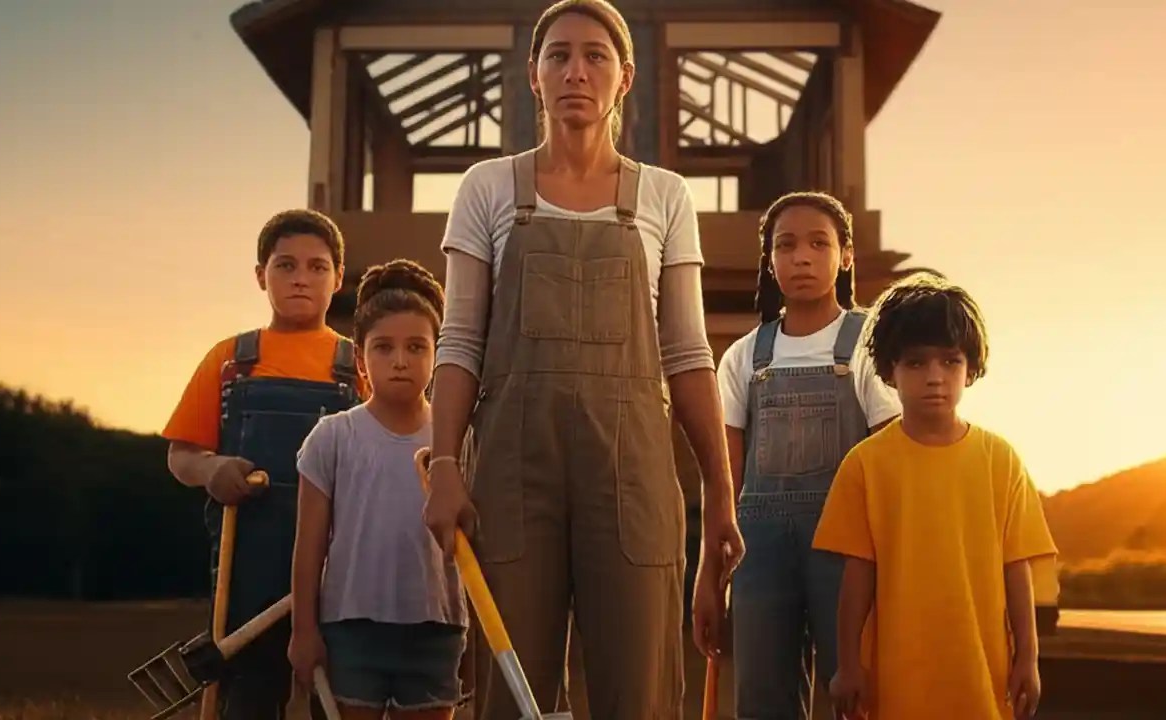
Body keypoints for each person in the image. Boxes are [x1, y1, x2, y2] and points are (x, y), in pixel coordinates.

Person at [420, 1, 745, 718]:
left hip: (632, 479)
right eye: (557, 55)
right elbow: (460, 343)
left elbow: (689, 355)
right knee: (513, 692)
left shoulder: (665, 196)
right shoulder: (488, 187)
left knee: (639, 689)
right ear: (533, 77)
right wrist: (444, 467)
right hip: (510, 474)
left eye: (595, 55)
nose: (576, 70)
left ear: (624, 77)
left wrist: (721, 495)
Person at [813, 272, 1058, 720]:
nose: (935, 378)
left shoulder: (999, 460)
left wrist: (1028, 657)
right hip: (896, 673)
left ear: (971, 368)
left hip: (979, 668)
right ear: (889, 370)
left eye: (950, 362)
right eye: (916, 363)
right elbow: (856, 577)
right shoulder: (866, 465)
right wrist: (848, 665)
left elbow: (1016, 568)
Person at [162, 209, 366, 719]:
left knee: (341, 699)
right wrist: (211, 470)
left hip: (342, 566)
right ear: (261, 275)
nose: (301, 278)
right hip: (249, 565)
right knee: (251, 696)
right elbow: (181, 455)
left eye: (318, 267)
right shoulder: (230, 360)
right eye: (286, 265)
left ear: (338, 278)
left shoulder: (360, 366)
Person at [716, 191, 902, 719]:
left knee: (859, 692)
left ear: (845, 255)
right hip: (760, 554)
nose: (801, 256)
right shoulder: (744, 356)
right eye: (786, 245)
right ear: (769, 260)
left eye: (819, 244)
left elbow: (893, 463)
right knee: (761, 700)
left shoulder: (870, 344)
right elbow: (726, 479)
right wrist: (710, 576)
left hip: (849, 551)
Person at [288, 259, 468, 719]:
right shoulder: (333, 437)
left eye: (416, 347)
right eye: (384, 347)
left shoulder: (458, 440)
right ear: (361, 356)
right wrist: (303, 631)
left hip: (435, 628)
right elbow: (308, 547)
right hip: (351, 629)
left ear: (438, 354)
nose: (401, 360)